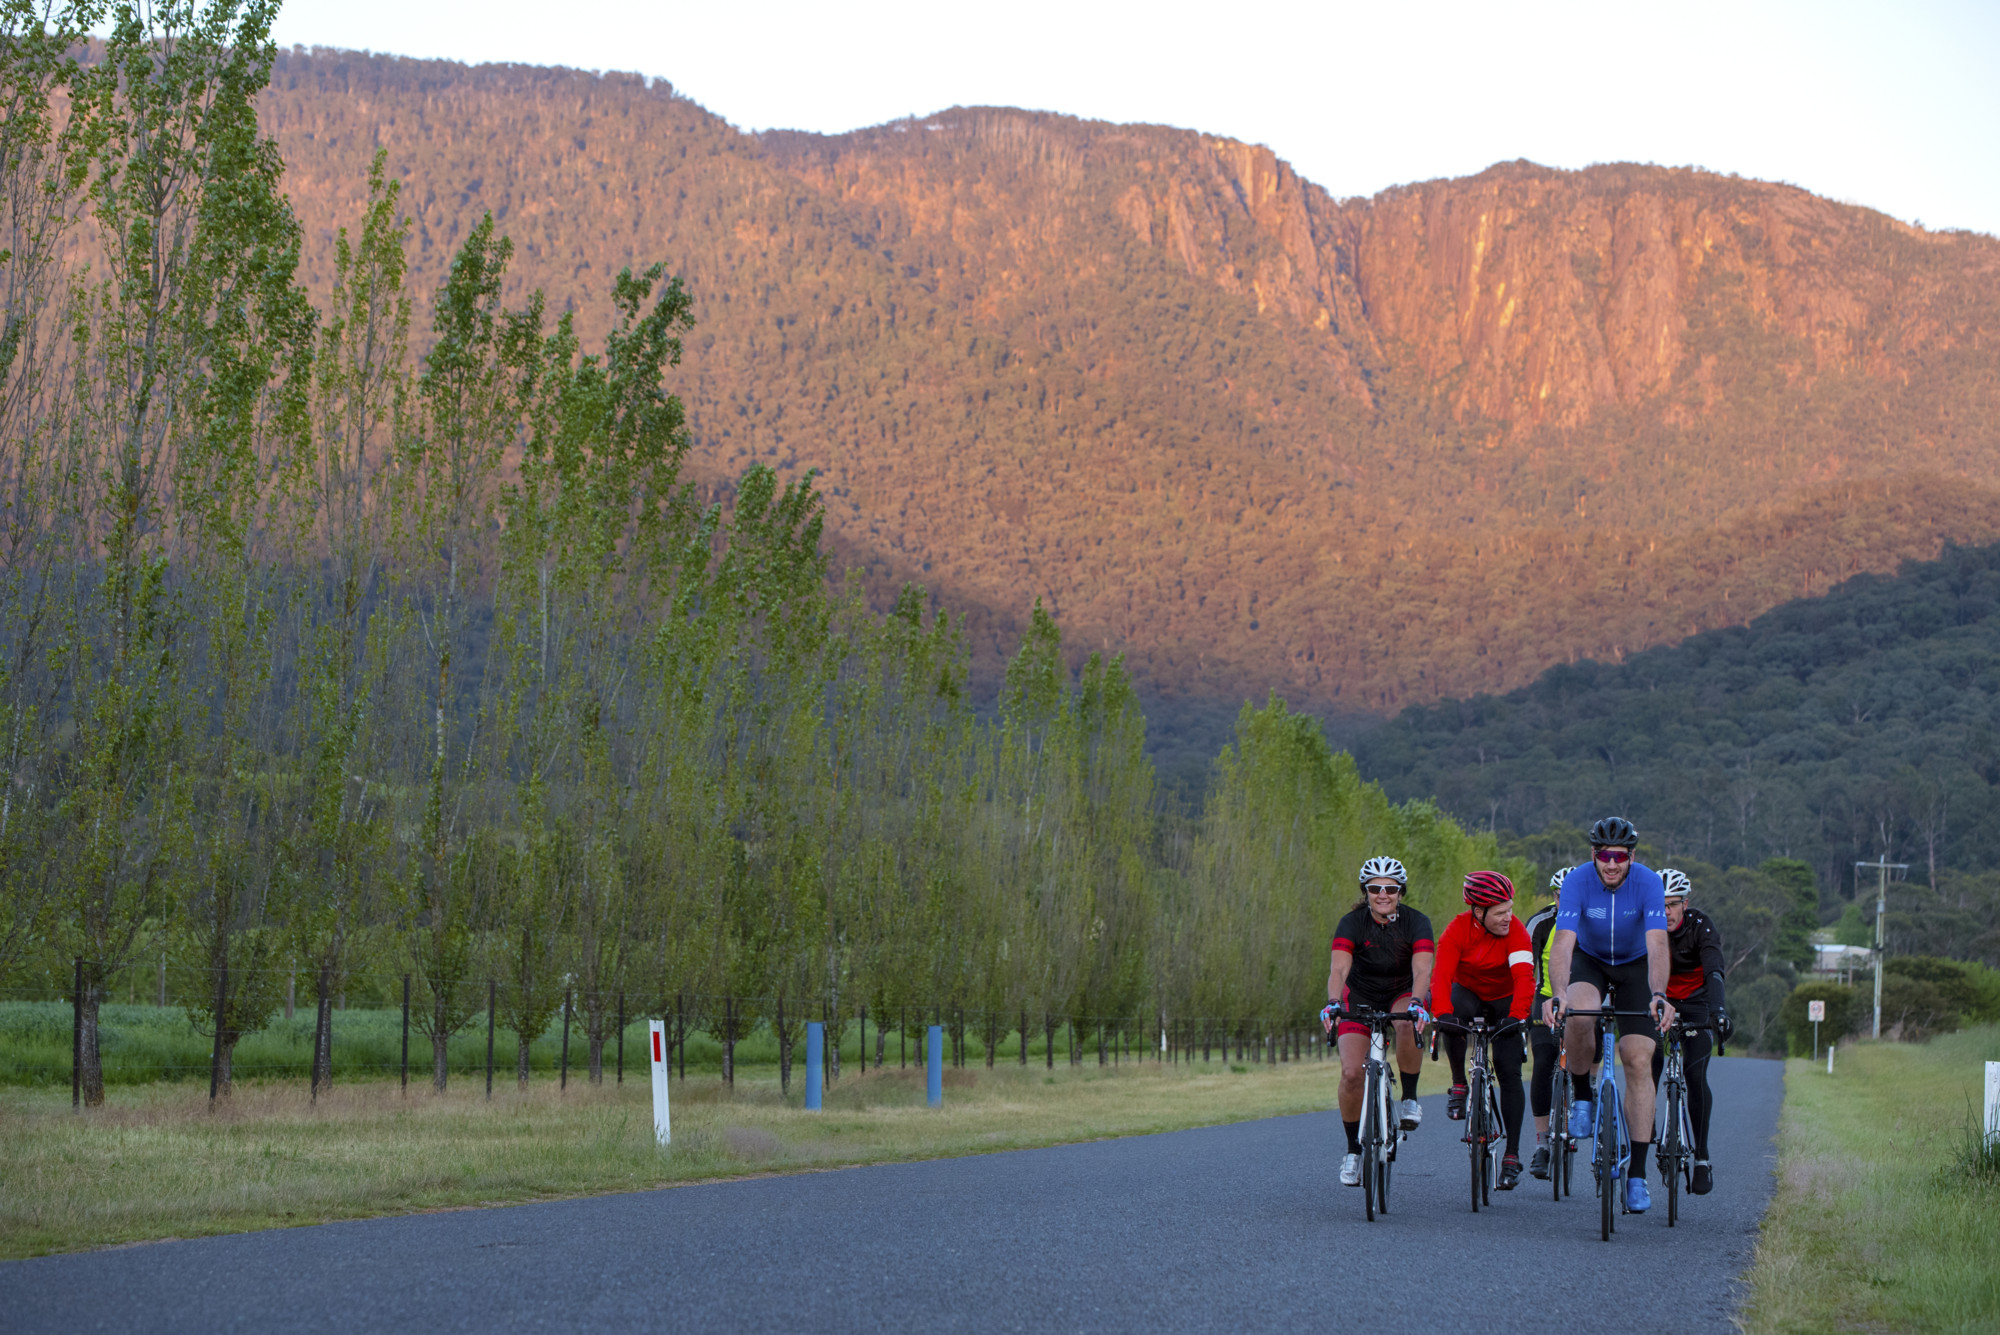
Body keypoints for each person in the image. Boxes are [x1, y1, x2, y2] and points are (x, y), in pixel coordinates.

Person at [1548, 817, 1675, 1213]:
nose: (1612, 864)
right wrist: (1560, 993)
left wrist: (1659, 993)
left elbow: (1657, 945)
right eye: (1605, 856)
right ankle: (1583, 1096)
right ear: (1594, 855)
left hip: (1636, 966)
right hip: (1591, 961)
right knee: (1578, 1013)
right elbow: (1563, 944)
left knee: (1637, 1059)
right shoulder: (1577, 881)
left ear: (1631, 857)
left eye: (1620, 856)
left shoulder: (1649, 883)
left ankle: (1637, 1175)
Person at [1325, 856, 1434, 1188]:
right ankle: (1353, 1151)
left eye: (1390, 888)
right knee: (1351, 1074)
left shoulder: (1417, 922)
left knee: (1406, 1022)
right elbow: (1339, 969)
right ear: (1366, 892)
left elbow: (1422, 970)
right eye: (1375, 888)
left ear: (1401, 891)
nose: (1383, 894)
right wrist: (1332, 1002)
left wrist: (1417, 1002)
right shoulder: (1352, 923)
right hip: (1360, 995)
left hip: (1403, 991)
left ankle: (1410, 1098)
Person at [1430, 869, 1535, 1188]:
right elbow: (1442, 976)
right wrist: (1442, 1014)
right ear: (1478, 911)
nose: (1508, 917)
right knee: (1452, 1016)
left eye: (1510, 909)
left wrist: (1517, 1016)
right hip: (1469, 994)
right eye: (1500, 912)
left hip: (1506, 1000)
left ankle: (1512, 1155)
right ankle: (1459, 1083)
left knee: (1508, 1071)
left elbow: (1524, 978)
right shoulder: (1457, 930)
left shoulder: (1517, 932)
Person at [1649, 869, 1732, 1196]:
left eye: (1672, 904)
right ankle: (1648, 1119)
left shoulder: (1700, 926)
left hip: (1697, 1004)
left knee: (1695, 1076)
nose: (1666, 912)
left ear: (1685, 903)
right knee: (1648, 1060)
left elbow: (1714, 971)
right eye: (1660, 905)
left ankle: (1702, 1158)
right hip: (1659, 1002)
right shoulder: (1646, 926)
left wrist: (1718, 1012)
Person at [1524, 865, 1574, 1180]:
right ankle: (1542, 1144)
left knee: (1591, 1044)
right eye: (1558, 896)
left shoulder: (1594, 920)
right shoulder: (1541, 922)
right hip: (1544, 999)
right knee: (1543, 1062)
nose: (1563, 902)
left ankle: (1588, 1091)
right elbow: (1524, 967)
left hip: (1583, 999)